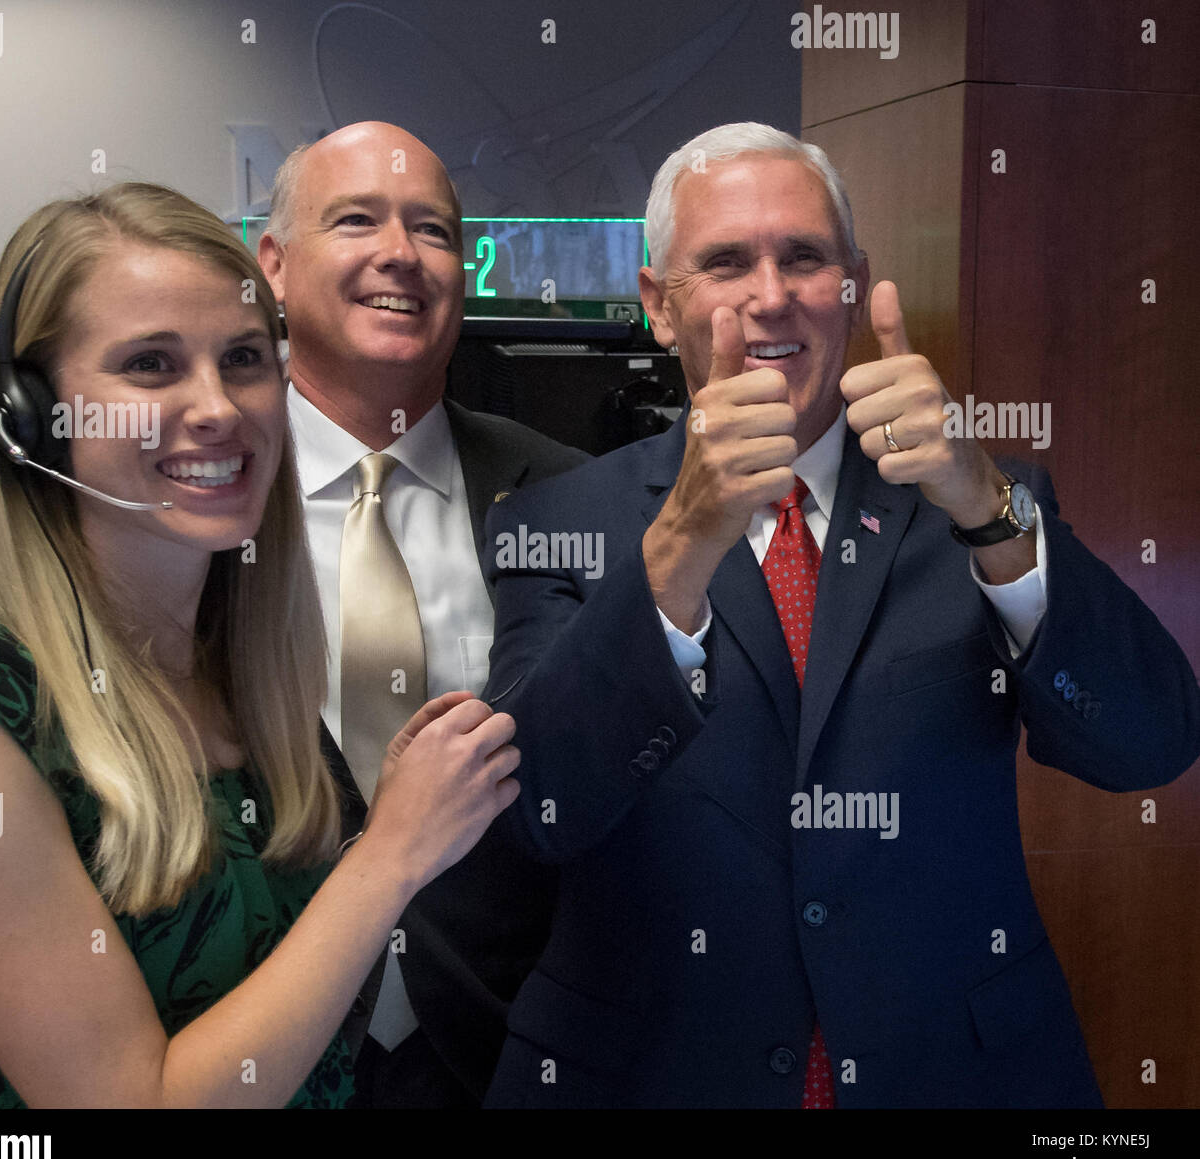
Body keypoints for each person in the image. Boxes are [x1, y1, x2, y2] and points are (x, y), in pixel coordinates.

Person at [479, 122, 1200, 1108]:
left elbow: (1149, 744)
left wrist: (988, 505)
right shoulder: (552, 522)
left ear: (852, 286)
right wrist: (684, 541)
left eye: (805, 258)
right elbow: (540, 809)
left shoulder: (979, 502)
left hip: (957, 1072)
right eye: (726, 262)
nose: (771, 295)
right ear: (657, 303)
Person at [0, 182, 519, 1109]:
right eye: (150, 365)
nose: (219, 408)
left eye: (241, 359)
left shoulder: (239, 661)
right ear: (34, 419)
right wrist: (390, 854)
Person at [257, 122, 588, 1106]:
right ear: (272, 264)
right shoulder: (194, 493)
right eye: (356, 219)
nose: (399, 252)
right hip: (244, 1051)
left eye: (432, 229)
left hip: (503, 1060)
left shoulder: (571, 498)